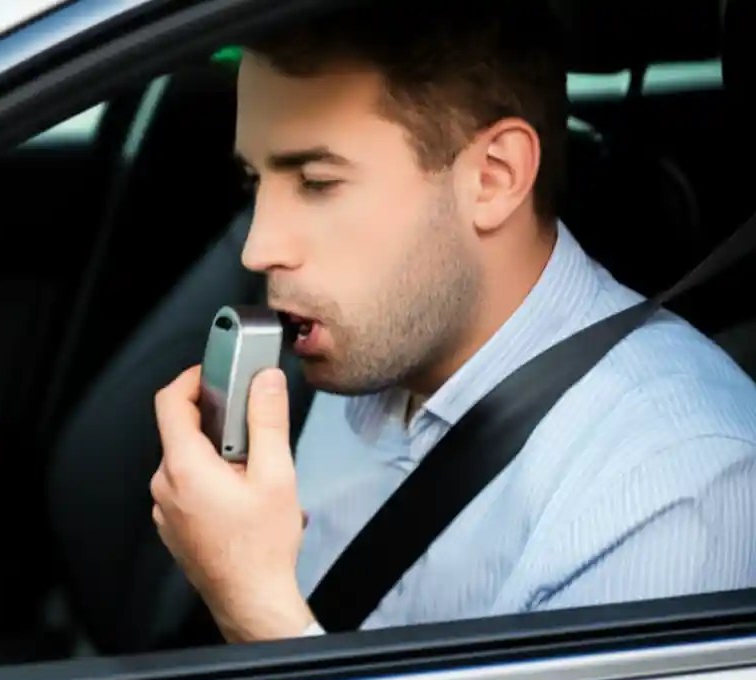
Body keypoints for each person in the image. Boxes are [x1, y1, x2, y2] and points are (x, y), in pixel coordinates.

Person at [148, 0, 756, 643]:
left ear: (493, 179)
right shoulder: (371, 341)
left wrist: (254, 608)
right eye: (254, 181)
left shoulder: (674, 497)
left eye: (318, 182)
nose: (257, 248)